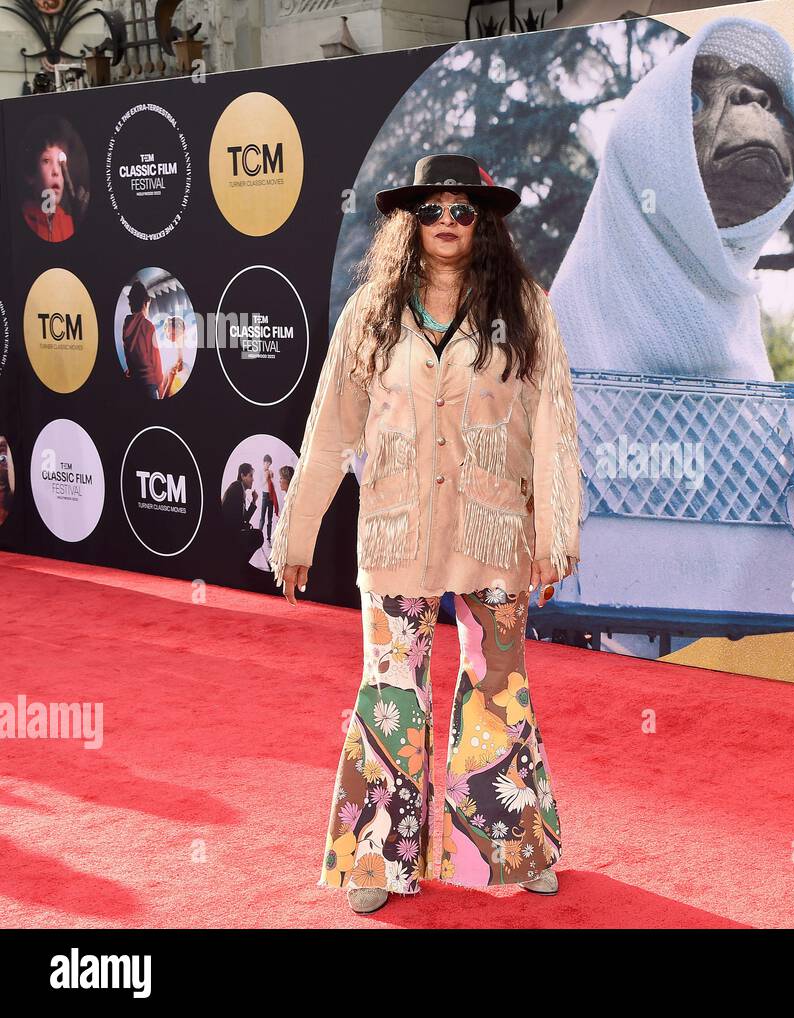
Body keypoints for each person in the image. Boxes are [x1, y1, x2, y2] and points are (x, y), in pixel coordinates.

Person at [269, 152, 583, 915]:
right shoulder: (370, 314)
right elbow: (328, 430)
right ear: (411, 221)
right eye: (432, 210)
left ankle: (512, 847)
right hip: (395, 533)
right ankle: (377, 855)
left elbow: (555, 425)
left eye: (462, 210)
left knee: (496, 683)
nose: (446, 223)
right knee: (390, 690)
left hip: (495, 528)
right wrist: (297, 535)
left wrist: (558, 529)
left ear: (486, 222)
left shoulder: (527, 309)